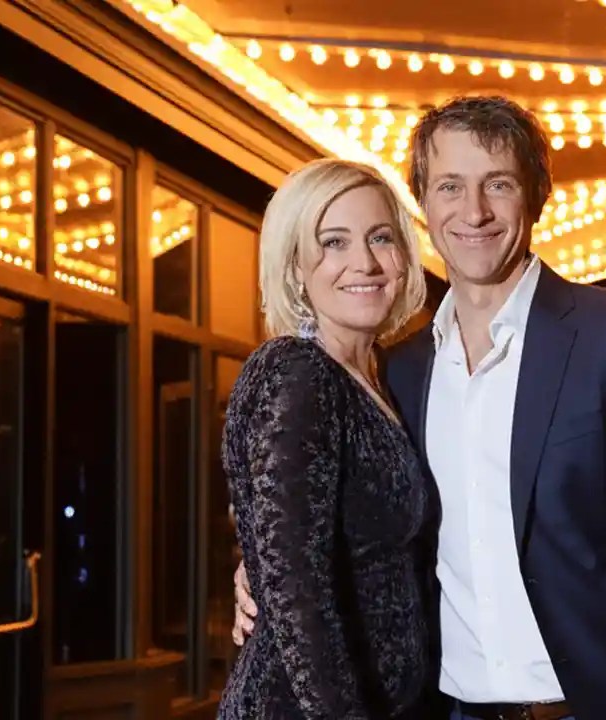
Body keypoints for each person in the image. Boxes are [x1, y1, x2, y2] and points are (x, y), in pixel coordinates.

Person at [234, 96, 606, 720]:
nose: (473, 212)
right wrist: (259, 568)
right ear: (424, 201)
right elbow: (352, 521)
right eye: (450, 186)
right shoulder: (400, 371)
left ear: (536, 195)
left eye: (497, 184)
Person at [218, 158, 430, 719]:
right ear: (295, 265)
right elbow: (295, 591)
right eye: (334, 242)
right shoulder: (297, 372)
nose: (363, 261)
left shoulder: (380, 377)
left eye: (380, 237)